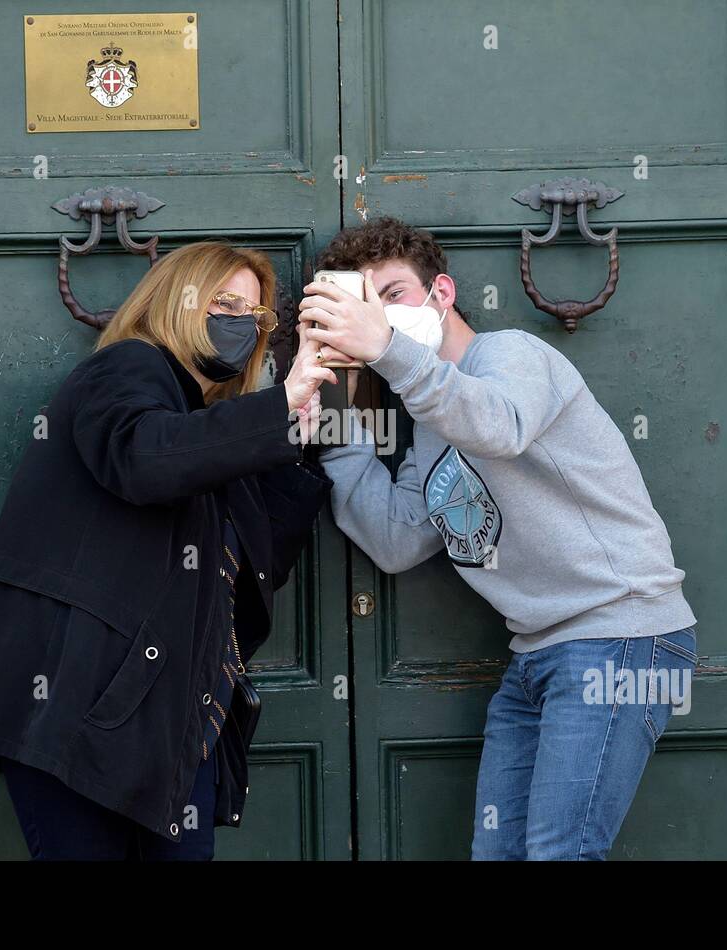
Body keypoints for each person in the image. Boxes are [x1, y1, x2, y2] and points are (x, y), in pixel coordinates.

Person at [0, 241, 335, 860]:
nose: (241, 323)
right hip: (77, 710)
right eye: (224, 303)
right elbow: (144, 459)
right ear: (175, 300)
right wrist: (274, 409)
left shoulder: (216, 429)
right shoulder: (128, 368)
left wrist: (294, 433)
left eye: (256, 315)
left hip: (171, 729)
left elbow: (254, 574)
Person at [299, 217, 699, 860]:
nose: (381, 317)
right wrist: (332, 421)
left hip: (621, 639)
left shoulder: (511, 355)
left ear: (442, 294)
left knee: (557, 852)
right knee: (499, 854)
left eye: (393, 294)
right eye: (364, 305)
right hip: (539, 655)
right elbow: (399, 539)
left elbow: (501, 426)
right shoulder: (428, 417)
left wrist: (386, 352)